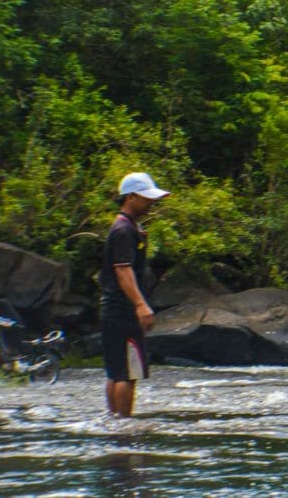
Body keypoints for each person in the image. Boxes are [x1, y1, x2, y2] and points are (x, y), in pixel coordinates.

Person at [100, 172, 169, 417]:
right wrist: (141, 305)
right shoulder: (123, 230)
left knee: (116, 371)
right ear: (131, 197)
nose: (152, 203)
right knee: (129, 374)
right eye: (146, 198)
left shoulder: (126, 228)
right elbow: (123, 270)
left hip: (113, 310)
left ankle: (114, 422)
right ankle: (125, 428)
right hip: (124, 311)